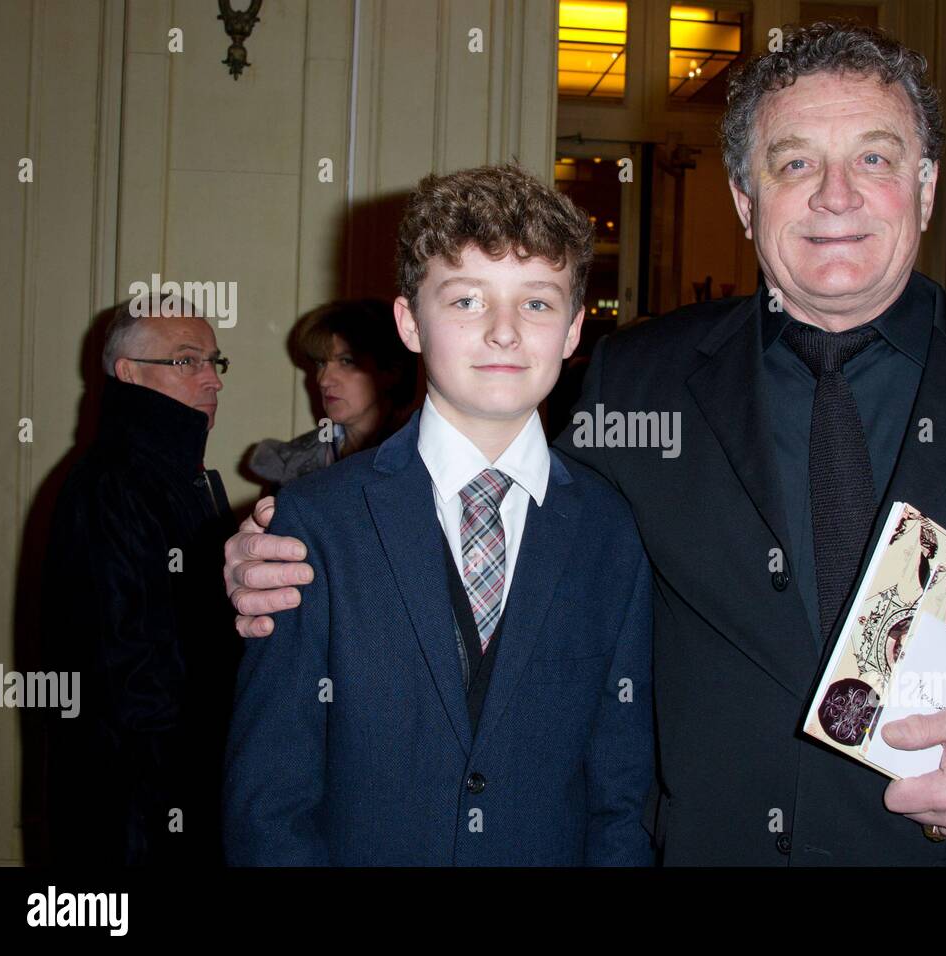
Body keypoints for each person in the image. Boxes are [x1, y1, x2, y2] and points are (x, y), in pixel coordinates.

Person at [222, 21, 946, 866]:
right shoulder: (635, 378)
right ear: (746, 198)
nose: (836, 195)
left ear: (922, 185)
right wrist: (277, 548)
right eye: (795, 163)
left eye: (873, 157)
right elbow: (491, 512)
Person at [221, 164, 655, 866]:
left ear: (574, 330)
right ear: (408, 322)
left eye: (538, 304)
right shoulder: (317, 524)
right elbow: (271, 798)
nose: (506, 333)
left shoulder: (612, 531)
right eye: (466, 301)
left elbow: (620, 790)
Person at [44, 302, 239, 866]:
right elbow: (130, 672)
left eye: (214, 360)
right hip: (136, 814)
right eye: (186, 360)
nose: (213, 378)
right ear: (127, 372)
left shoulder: (174, 475)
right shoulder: (115, 484)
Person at [247, 299, 415, 489]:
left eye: (346, 361)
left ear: (391, 370)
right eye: (320, 363)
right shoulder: (294, 464)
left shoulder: (420, 458)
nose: (323, 380)